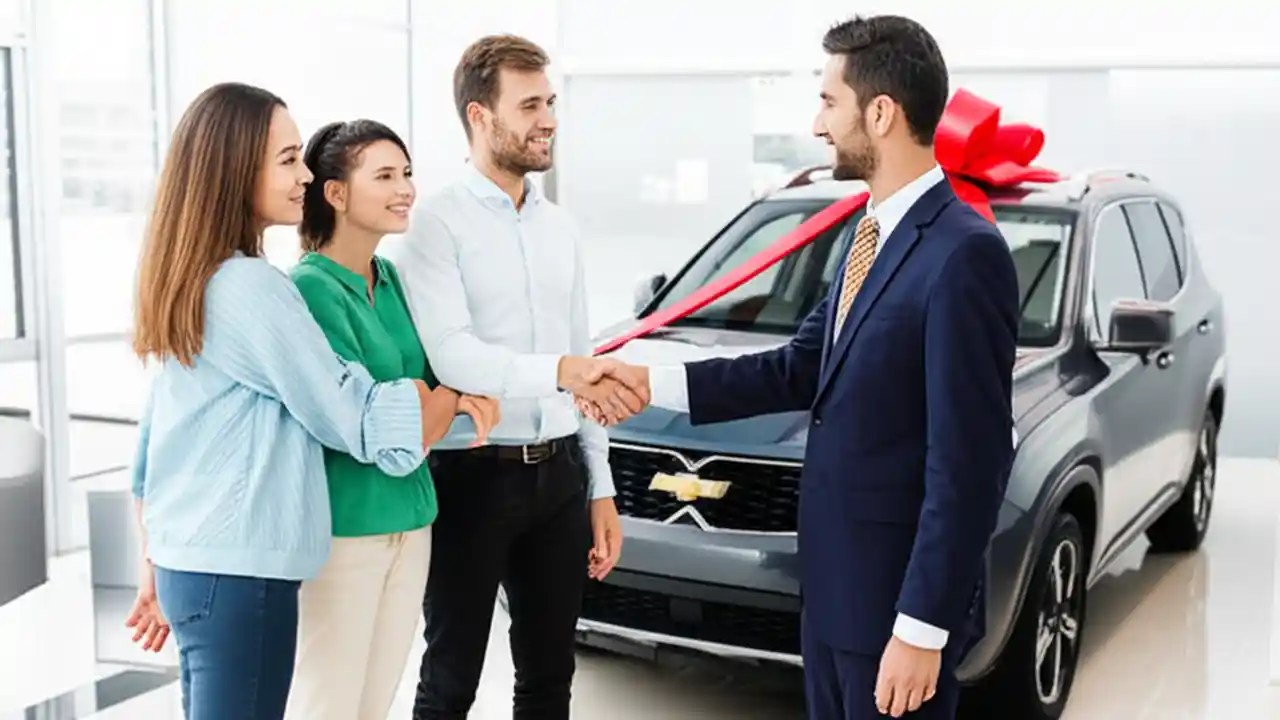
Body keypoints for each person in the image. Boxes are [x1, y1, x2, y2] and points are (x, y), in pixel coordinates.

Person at [582, 15, 1019, 720]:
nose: (818, 124)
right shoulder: (867, 232)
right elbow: (796, 368)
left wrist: (921, 626)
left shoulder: (965, 254)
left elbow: (970, 463)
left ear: (880, 113)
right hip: (833, 597)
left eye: (827, 102)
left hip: (894, 615)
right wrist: (649, 383)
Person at [122, 82, 494, 720]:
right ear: (234, 168)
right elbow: (357, 416)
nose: (305, 176)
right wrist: (435, 395)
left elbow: (153, 448)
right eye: (288, 159)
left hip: (196, 561)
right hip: (240, 572)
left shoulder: (195, 276)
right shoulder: (252, 287)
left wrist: (155, 557)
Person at [378, 34, 645, 720]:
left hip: (560, 478)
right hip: (470, 476)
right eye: (530, 104)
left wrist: (602, 488)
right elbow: (454, 354)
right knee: (450, 682)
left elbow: (581, 351)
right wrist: (562, 371)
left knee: (550, 679)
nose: (548, 118)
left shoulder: (561, 227)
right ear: (480, 116)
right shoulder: (434, 222)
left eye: (550, 101)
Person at [281, 119, 500, 720]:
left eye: (406, 173)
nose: (405, 188)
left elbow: (430, 386)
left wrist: (438, 396)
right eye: (384, 176)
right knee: (328, 703)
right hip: (345, 529)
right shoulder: (309, 291)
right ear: (336, 193)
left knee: (375, 704)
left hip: (413, 517)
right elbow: (391, 421)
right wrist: (443, 399)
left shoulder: (391, 277)